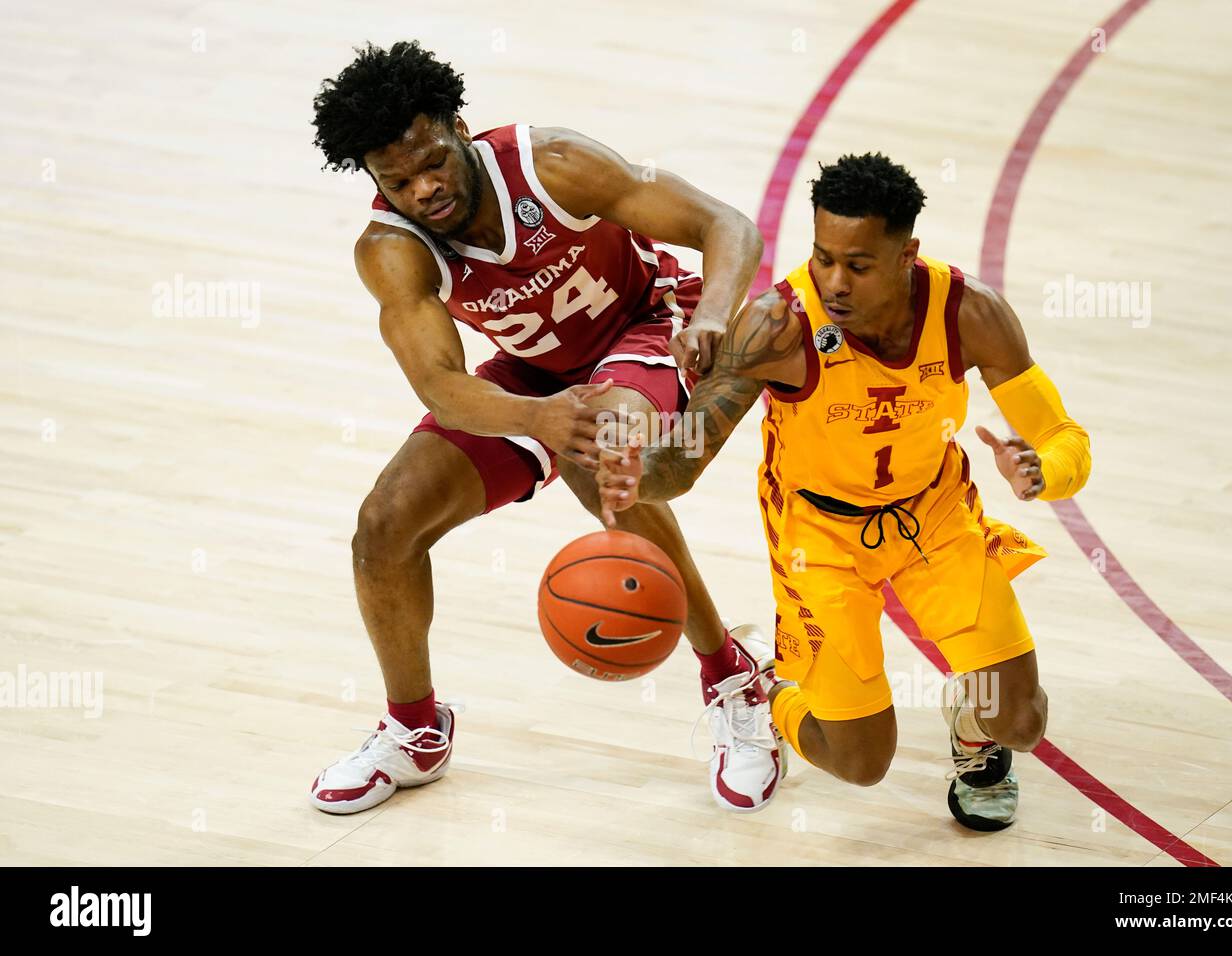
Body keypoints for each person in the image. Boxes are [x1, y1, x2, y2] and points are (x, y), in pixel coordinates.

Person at [307, 41, 781, 814]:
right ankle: (415, 731)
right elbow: (443, 387)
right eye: (398, 179)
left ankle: (733, 675)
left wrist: (715, 315)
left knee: (607, 448)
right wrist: (538, 417)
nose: (423, 188)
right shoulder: (391, 250)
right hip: (533, 375)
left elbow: (725, 225)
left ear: (458, 125)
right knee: (383, 527)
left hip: (644, 321)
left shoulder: (553, 165)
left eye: (433, 161)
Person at [597, 152, 1091, 830]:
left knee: (1022, 721)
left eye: (857, 265)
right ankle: (771, 691)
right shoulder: (777, 325)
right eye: (822, 257)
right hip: (819, 538)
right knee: (860, 762)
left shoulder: (970, 313)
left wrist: (1044, 471)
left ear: (905, 255)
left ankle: (974, 740)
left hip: (935, 518)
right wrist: (637, 472)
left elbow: (1065, 435)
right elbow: (687, 457)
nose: (833, 281)